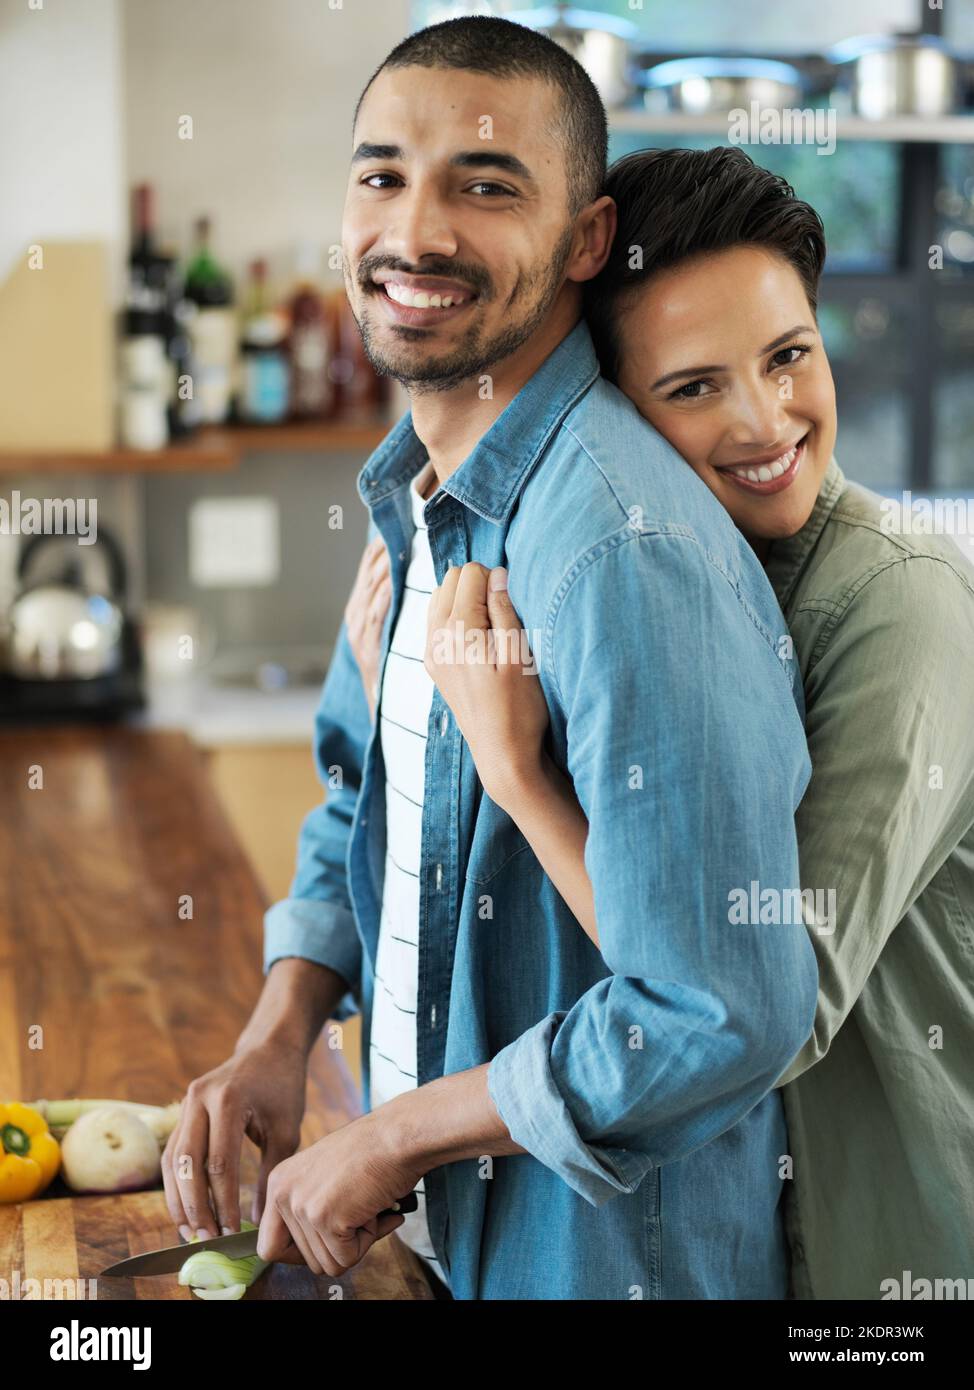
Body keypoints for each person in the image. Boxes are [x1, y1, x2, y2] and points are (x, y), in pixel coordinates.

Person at [162, 19, 819, 1300]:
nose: (413, 234)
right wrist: (281, 1033)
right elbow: (367, 796)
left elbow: (725, 1010)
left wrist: (393, 1135)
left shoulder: (616, 550)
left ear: (584, 238)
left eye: (484, 186)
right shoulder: (423, 487)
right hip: (446, 1241)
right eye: (381, 176)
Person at [348, 145, 974, 1299]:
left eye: (787, 356)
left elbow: (758, 1009)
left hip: (881, 1254)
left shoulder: (902, 601)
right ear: (615, 410)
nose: (763, 420)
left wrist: (518, 776)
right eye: (690, 388)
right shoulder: (638, 573)